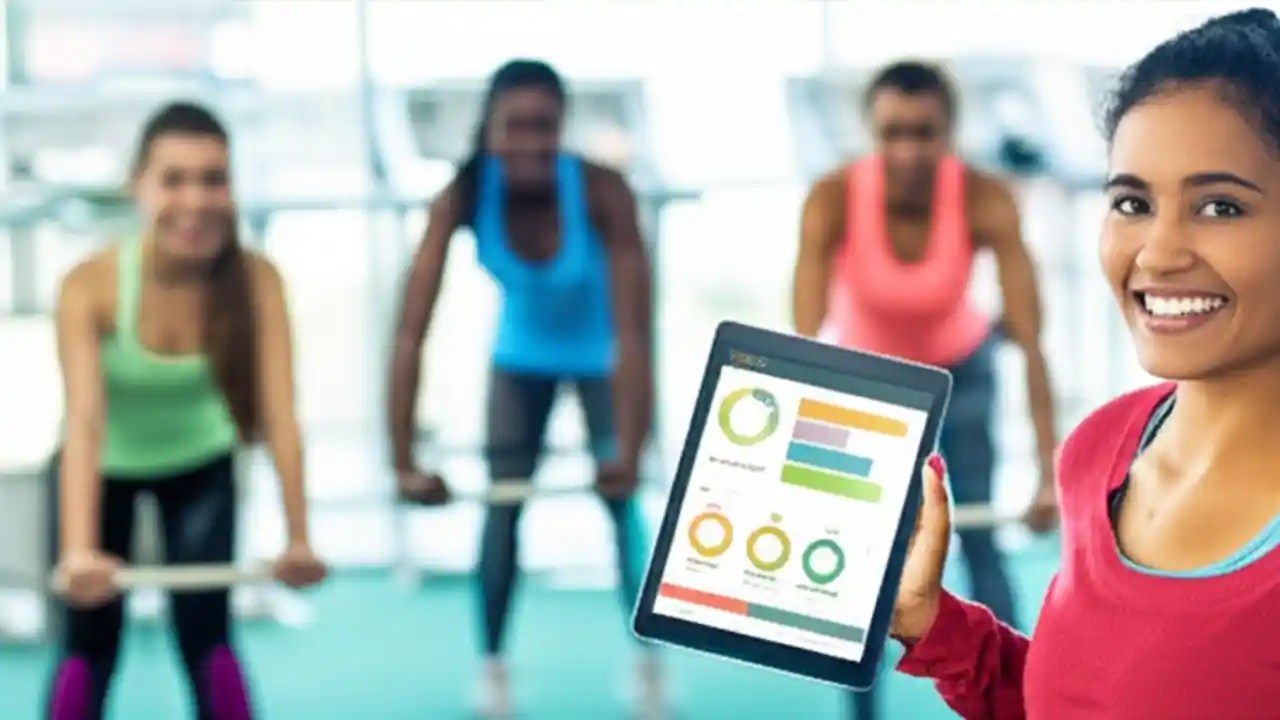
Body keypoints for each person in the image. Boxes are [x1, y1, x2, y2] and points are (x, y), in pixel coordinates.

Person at [892, 8, 1280, 718]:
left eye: (1219, 207)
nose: (1157, 253)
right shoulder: (1101, 451)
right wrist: (932, 623)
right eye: (1132, 201)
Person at [387, 60, 659, 719]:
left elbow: (634, 334)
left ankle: (649, 662)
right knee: (503, 511)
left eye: (547, 126)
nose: (533, 141)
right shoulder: (462, 194)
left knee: (623, 510)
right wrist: (402, 460)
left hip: (600, 359)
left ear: (563, 128)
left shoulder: (601, 190)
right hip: (519, 360)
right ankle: (494, 669)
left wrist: (630, 450)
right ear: (491, 129)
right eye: (518, 126)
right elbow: (409, 334)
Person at [792, 60, 1058, 720]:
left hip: (959, 373)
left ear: (948, 135)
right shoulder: (831, 197)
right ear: (871, 134)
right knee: (864, 557)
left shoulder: (982, 197)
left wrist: (1049, 474)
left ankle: (1019, 705)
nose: (908, 150)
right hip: (868, 382)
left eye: (924, 133)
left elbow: (1029, 342)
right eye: (893, 133)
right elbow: (799, 346)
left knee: (979, 538)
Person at [46, 102, 327, 720]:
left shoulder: (257, 281)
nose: (195, 201)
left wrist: (299, 539)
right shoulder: (88, 285)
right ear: (138, 185)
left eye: (213, 179)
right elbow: (85, 423)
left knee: (206, 635)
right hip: (101, 470)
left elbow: (281, 414)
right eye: (174, 179)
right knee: (88, 644)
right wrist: (77, 552)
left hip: (199, 465)